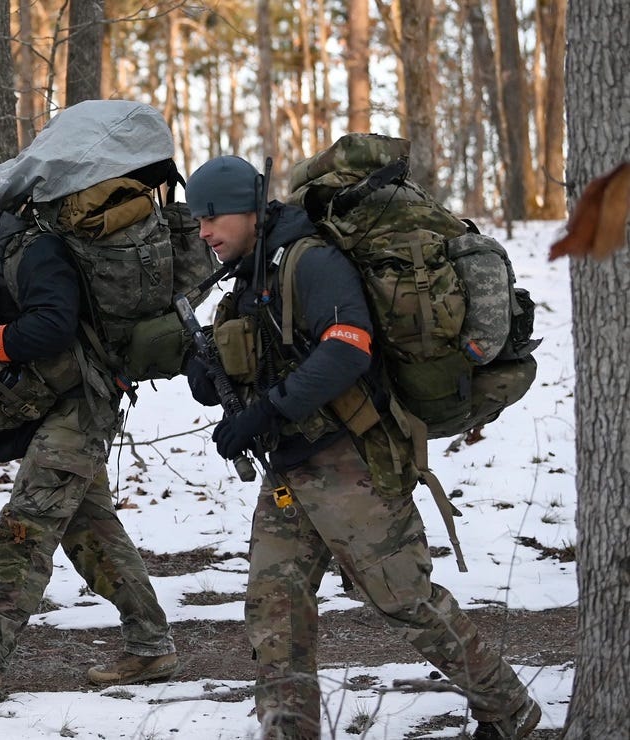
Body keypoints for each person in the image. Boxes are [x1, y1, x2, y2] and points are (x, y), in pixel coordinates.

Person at [183, 156, 541, 740]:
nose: (204, 232)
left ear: (249, 210)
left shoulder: (309, 260)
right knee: (276, 613)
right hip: (291, 468)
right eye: (199, 221)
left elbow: (349, 348)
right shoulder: (247, 278)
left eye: (213, 217)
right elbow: (241, 368)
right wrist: (208, 369)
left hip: (351, 461)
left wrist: (268, 409)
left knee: (406, 601)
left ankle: (510, 710)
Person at [0, 164, 177, 698]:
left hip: (80, 406)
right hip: (55, 408)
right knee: (89, 531)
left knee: (25, 525)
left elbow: (53, 323)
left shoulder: (32, 252)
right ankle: (151, 645)